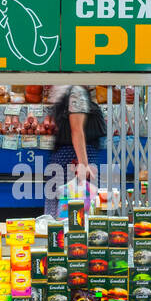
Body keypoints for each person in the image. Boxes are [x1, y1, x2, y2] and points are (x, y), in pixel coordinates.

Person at [46, 85, 105, 216]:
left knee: (68, 209)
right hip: (74, 160)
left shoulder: (67, 91)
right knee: (75, 211)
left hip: (68, 159)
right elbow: (77, 130)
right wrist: (83, 164)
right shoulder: (77, 91)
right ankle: (71, 234)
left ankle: (61, 234)